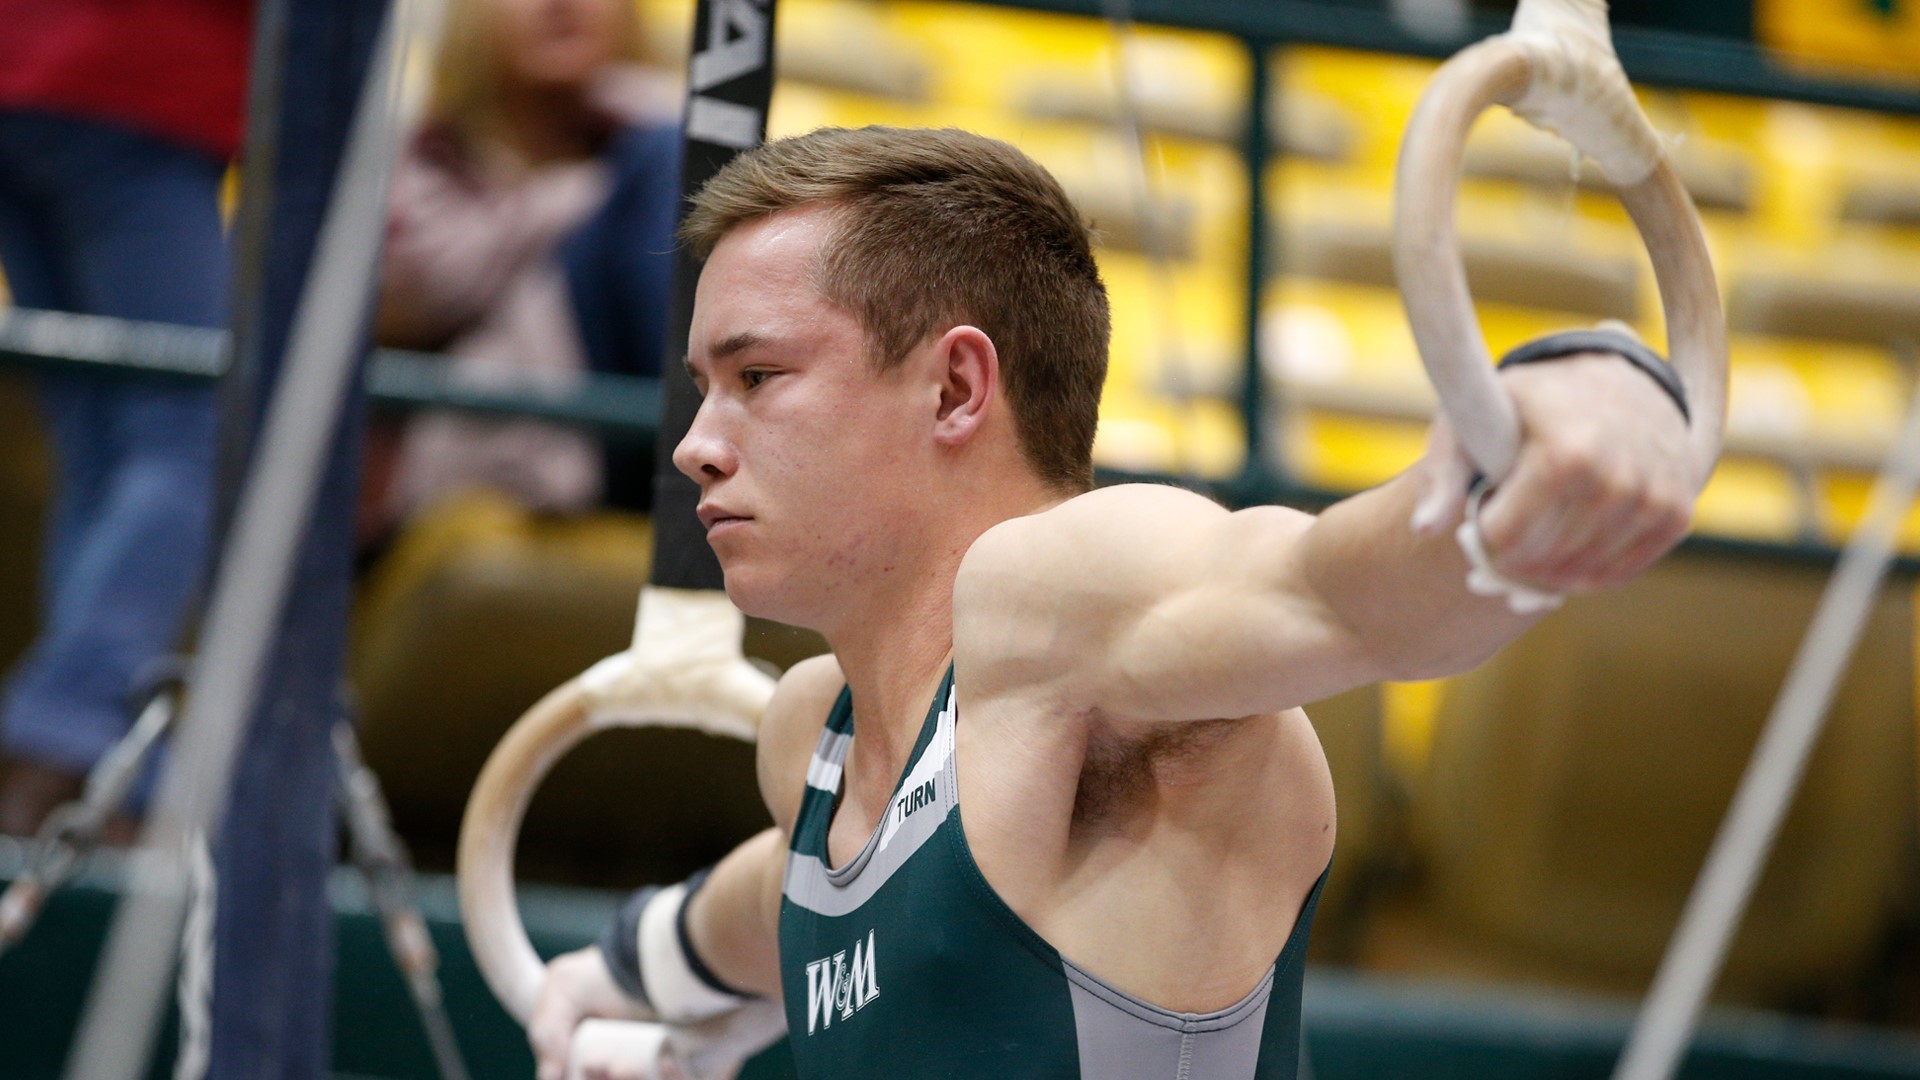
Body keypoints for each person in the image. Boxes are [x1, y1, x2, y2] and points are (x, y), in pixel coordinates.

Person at [526, 125, 1698, 1079]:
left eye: (757, 379)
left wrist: (1566, 419)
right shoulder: (815, 737)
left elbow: (1340, 595)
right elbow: (760, 904)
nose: (694, 448)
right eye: (701, 390)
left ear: (955, 387)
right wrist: (634, 969)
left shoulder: (1064, 609)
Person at [0, 0, 250, 835]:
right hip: (138, 77)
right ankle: (65, 726)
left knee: (107, 445)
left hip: (26, 71)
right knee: (194, 434)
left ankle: (111, 766)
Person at [368, 0, 681, 548]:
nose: (562, 5)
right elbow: (401, 305)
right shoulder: (411, 156)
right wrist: (568, 204)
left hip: (632, 443)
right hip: (452, 465)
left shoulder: (656, 148)